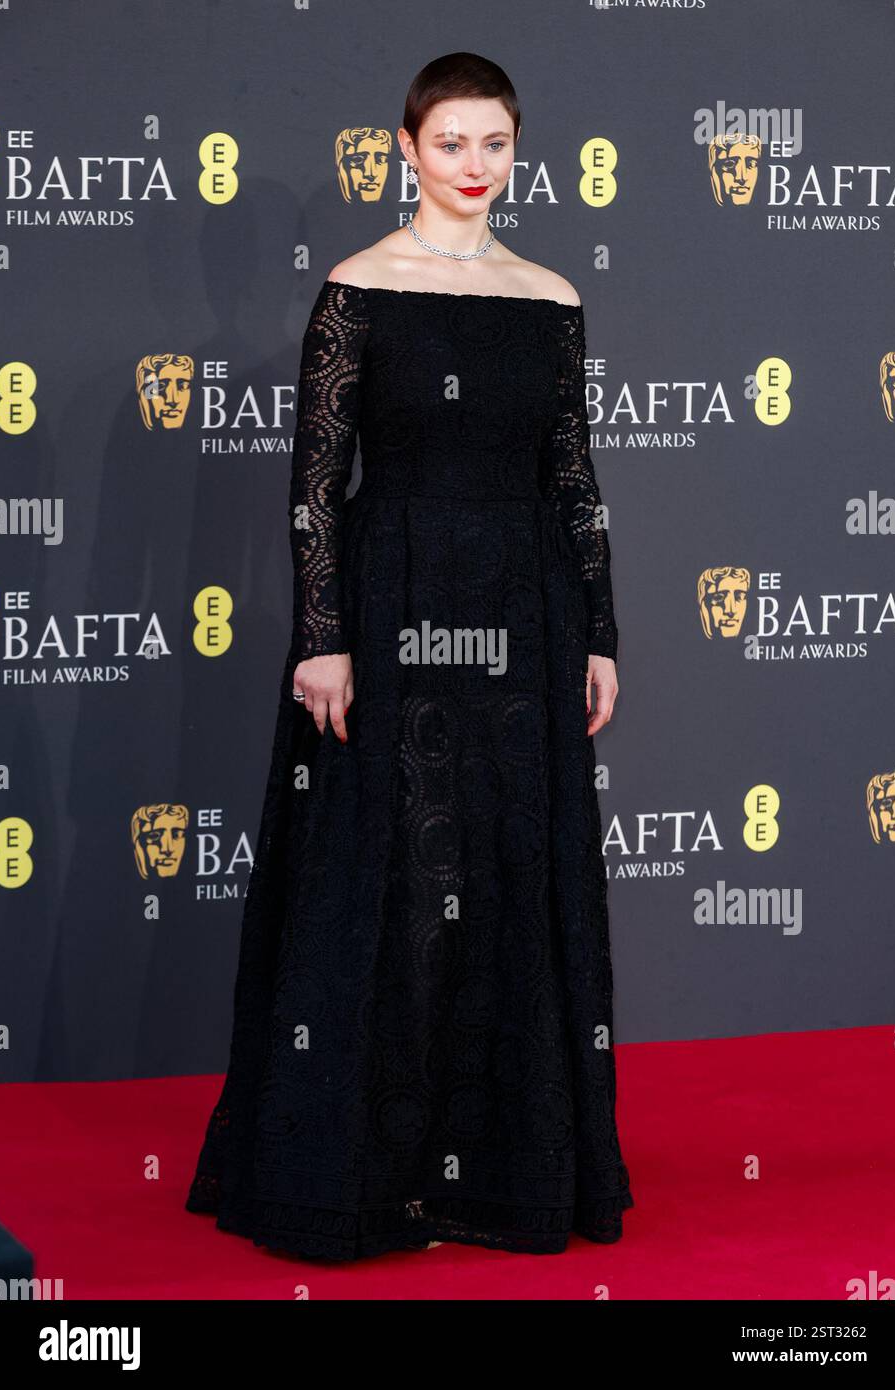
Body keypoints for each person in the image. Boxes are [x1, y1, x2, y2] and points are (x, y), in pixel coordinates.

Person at [185, 50, 634, 1260]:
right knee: (391, 874)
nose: (474, 167)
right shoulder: (358, 288)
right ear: (406, 148)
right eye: (451, 144)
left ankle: (494, 1175)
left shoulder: (549, 297)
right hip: (392, 607)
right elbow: (316, 487)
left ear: (515, 151)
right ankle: (369, 1174)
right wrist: (323, 640)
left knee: (502, 876)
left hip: (524, 613)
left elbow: (575, 482)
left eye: (494, 145)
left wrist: (598, 631)